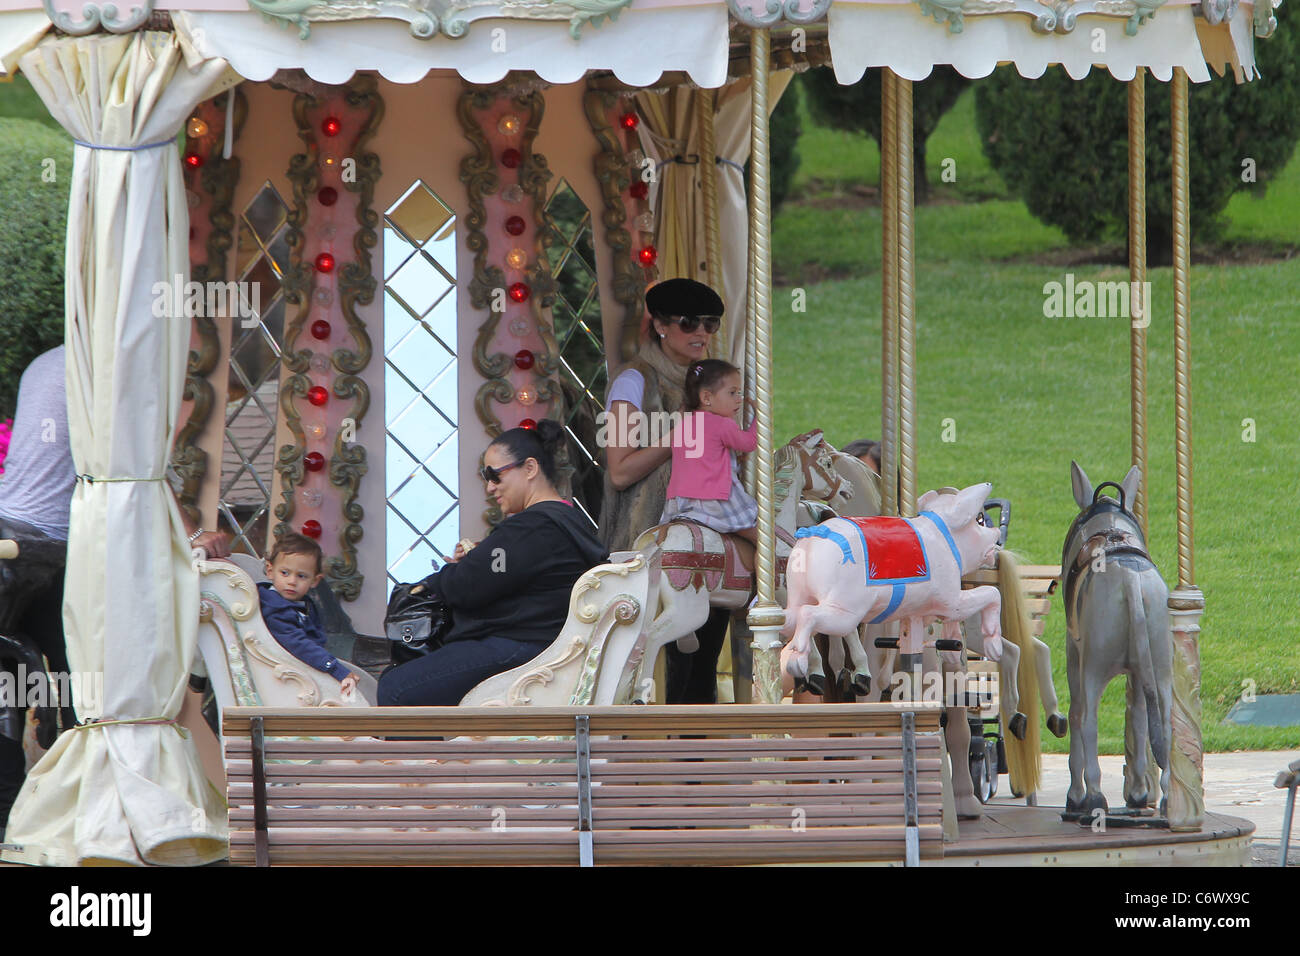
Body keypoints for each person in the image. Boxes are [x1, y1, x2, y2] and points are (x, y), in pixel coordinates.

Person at [0, 345, 229, 837]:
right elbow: (142, 470)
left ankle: (29, 805)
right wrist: (193, 538)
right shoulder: (107, 366)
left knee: (24, 679)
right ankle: (87, 808)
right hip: (51, 544)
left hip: (12, 530)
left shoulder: (46, 361)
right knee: (83, 683)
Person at [378, 420, 608, 706]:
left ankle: (434, 753)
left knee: (396, 688)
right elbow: (497, 571)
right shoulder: (564, 522)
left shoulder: (533, 526)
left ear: (530, 469)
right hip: (543, 647)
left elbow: (466, 586)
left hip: (522, 647)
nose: (489, 487)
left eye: (494, 475)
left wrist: (454, 571)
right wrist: (475, 561)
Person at [598, 277, 734, 704]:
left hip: (705, 540)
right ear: (658, 325)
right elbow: (618, 471)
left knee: (699, 671)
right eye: (689, 322)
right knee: (649, 663)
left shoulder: (713, 381)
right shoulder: (634, 382)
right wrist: (678, 435)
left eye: (710, 324)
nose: (701, 333)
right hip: (648, 542)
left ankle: (695, 764)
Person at [661, 359, 757, 545]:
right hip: (712, 501)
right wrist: (759, 418)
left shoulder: (684, 424)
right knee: (762, 539)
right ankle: (764, 575)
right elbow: (749, 443)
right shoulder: (722, 424)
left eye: (740, 392)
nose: (739, 398)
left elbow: (706, 457)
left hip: (679, 502)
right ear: (707, 398)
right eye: (732, 393)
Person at [258, 532, 359, 696]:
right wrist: (333, 667)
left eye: (301, 576)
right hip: (284, 676)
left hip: (301, 670)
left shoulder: (303, 605)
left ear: (315, 581)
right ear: (270, 570)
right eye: (285, 573)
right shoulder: (275, 607)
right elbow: (295, 643)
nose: (292, 581)